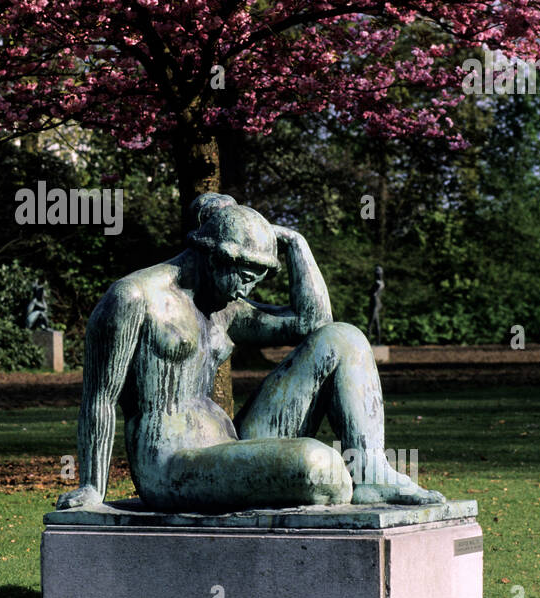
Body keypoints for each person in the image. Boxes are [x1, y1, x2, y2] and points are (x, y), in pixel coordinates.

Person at [56, 194, 443, 513]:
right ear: (214, 255)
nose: (246, 290)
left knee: (345, 337)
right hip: (172, 467)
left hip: (231, 443)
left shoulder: (224, 306)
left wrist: (294, 243)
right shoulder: (134, 299)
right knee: (317, 465)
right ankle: (338, 475)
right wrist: (92, 487)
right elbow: (99, 399)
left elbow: (314, 322)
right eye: (245, 276)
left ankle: (372, 473)